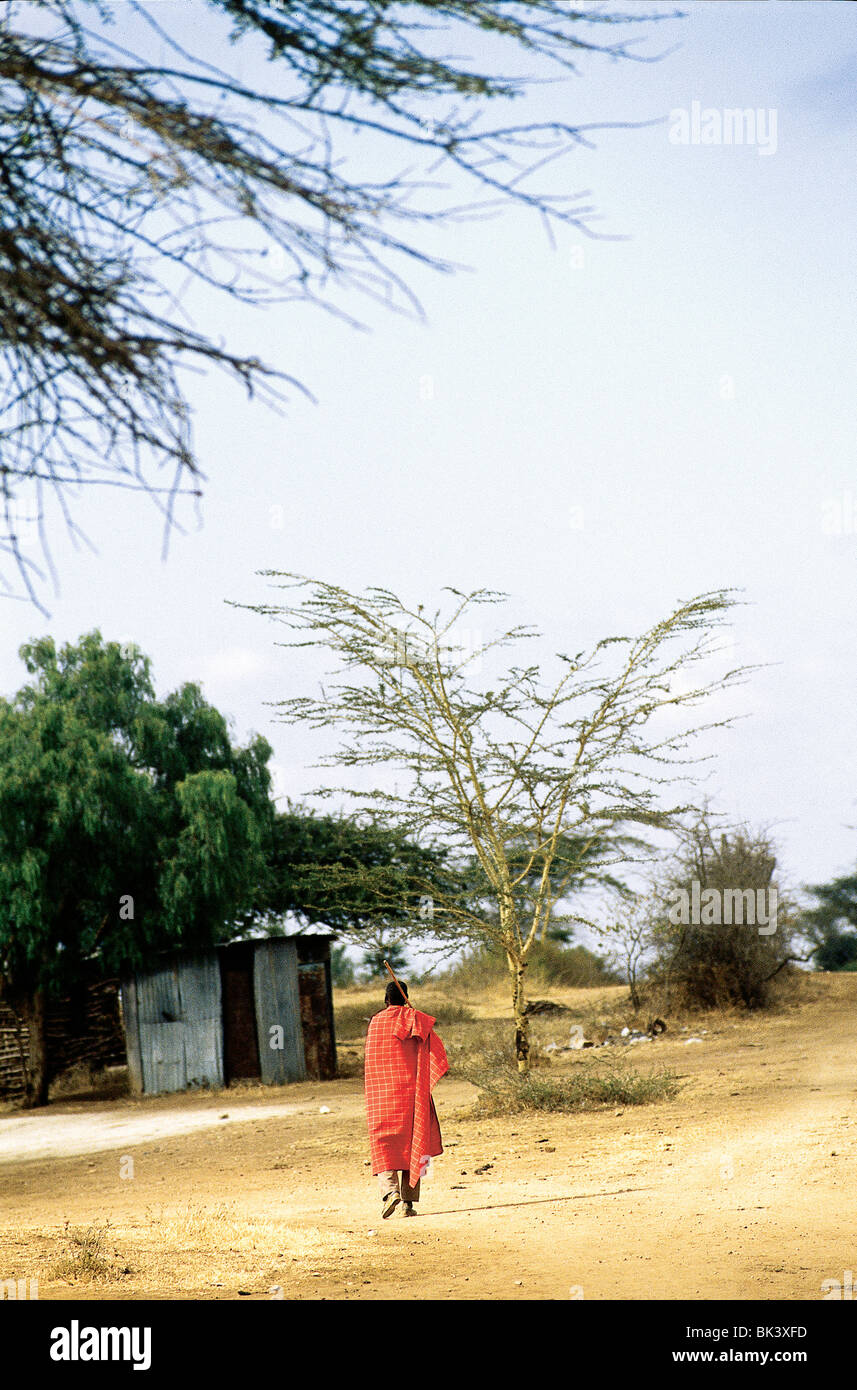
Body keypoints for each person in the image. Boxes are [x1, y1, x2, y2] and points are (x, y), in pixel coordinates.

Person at [364, 978, 448, 1219]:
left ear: (386, 1000)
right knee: (417, 1141)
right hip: (411, 1093)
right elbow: (437, 1049)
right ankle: (408, 1203)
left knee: (384, 1143)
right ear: (405, 997)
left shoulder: (375, 1023)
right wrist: (414, 1013)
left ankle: (390, 1193)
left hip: (381, 1094)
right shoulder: (415, 1019)